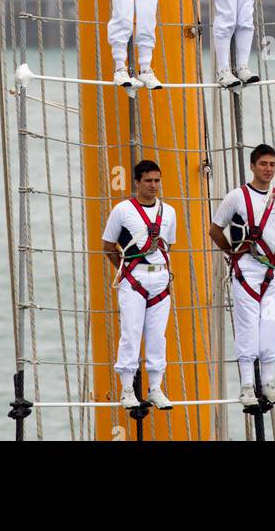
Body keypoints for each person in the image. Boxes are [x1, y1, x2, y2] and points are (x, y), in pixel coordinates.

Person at [209, 144, 275, 408]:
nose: (268, 169)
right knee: (246, 327)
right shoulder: (236, 197)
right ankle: (246, 386)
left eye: (272, 164)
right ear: (252, 166)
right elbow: (215, 229)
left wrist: (268, 252)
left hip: (271, 272)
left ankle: (267, 382)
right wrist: (233, 252)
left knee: (268, 326)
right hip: (245, 270)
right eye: (263, 164)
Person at [102, 159, 176, 409]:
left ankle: (155, 388)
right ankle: (127, 390)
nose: (154, 185)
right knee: (131, 333)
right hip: (134, 279)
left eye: (157, 180)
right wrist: (127, 271)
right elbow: (108, 247)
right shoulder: (122, 210)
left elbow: (169, 245)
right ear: (137, 182)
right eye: (148, 181)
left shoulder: (169, 212)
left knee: (157, 337)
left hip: (160, 280)